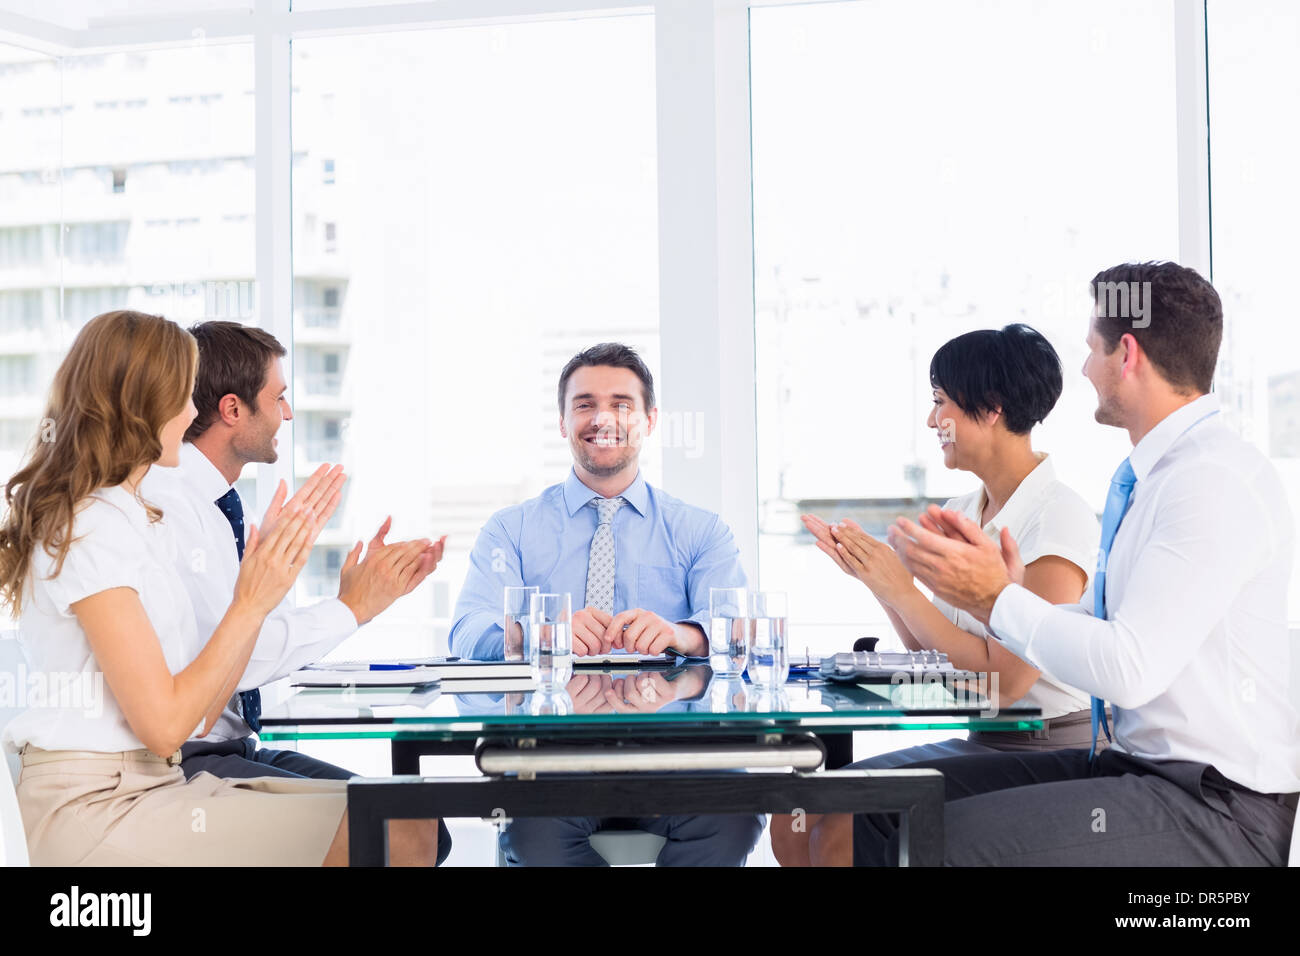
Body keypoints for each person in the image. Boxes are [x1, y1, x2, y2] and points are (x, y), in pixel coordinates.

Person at [847, 261, 1298, 865]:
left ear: (1127, 354)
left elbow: (1129, 669)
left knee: (932, 846)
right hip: (1134, 771)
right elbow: (1096, 624)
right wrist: (1009, 592)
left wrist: (997, 600)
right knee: (881, 815)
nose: (1084, 368)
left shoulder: (1208, 481)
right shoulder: (1155, 478)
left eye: (1092, 349)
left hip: (1215, 809)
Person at [0, 310, 436, 865]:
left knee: (408, 820)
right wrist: (250, 600)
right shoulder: (91, 523)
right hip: (96, 804)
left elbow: (202, 716)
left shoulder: (137, 514)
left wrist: (256, 598)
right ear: (142, 405)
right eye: (183, 396)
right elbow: (164, 728)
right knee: (393, 832)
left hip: (155, 782)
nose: (190, 412)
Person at [771, 323, 1101, 866]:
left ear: (991, 407)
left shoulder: (1057, 517)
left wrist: (904, 588)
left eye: (940, 402)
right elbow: (939, 652)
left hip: (1049, 745)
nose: (932, 420)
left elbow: (1006, 681)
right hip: (985, 740)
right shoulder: (965, 509)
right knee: (794, 811)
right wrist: (882, 583)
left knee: (841, 829)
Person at [139, 320, 452, 864]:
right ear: (233, 410)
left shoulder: (220, 506)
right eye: (278, 398)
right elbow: (234, 656)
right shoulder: (175, 505)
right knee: (403, 833)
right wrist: (351, 609)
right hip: (189, 757)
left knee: (424, 823)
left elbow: (252, 637)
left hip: (234, 743)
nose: (286, 414)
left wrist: (350, 602)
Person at [448, 342, 764, 866]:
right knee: (533, 836)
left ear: (650, 419)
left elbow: (739, 627)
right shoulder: (512, 530)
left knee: (732, 814)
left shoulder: (700, 530)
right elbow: (465, 635)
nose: (602, 418)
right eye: (585, 404)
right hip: (548, 757)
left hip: (679, 754)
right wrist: (541, 633)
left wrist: (680, 634)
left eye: (621, 404)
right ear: (563, 420)